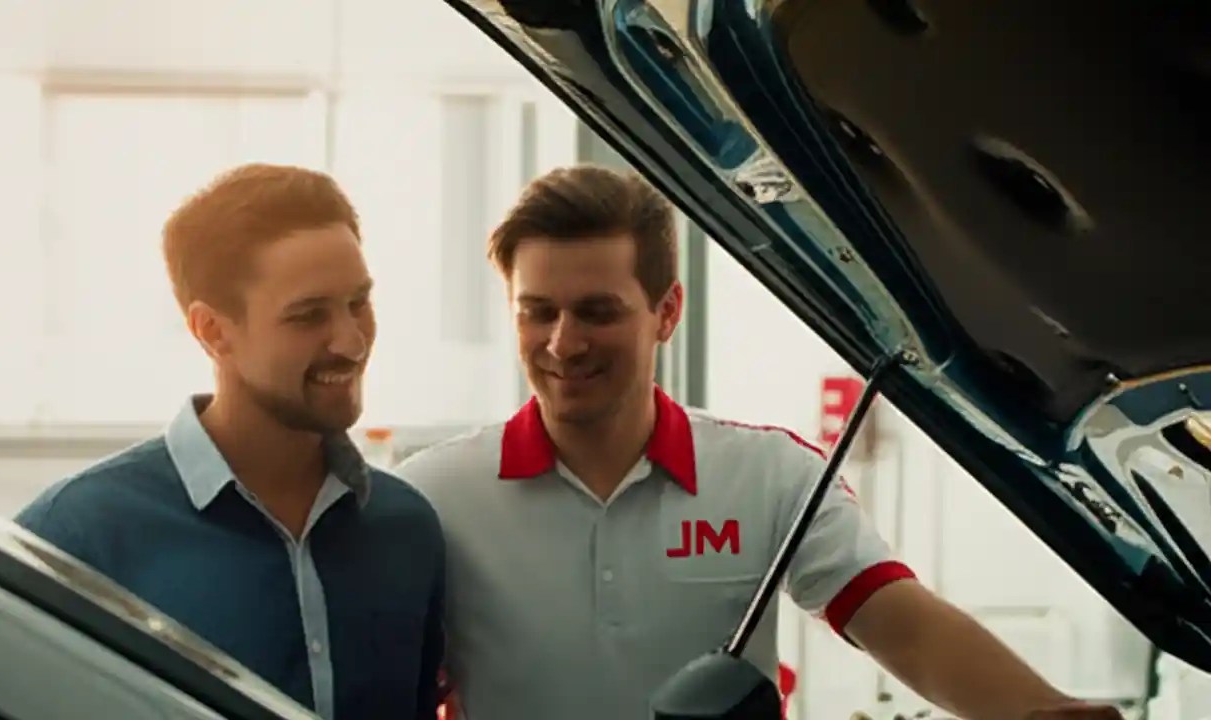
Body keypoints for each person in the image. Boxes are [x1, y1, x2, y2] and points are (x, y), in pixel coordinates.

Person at [394, 165, 1121, 720]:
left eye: (597, 312)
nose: (562, 342)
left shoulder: (770, 475)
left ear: (667, 311)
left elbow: (899, 623)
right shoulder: (433, 496)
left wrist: (1048, 715)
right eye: (537, 312)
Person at [15, 163, 445, 720]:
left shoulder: (407, 529)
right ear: (212, 331)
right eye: (309, 315)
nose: (352, 339)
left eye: (358, 302)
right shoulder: (77, 536)